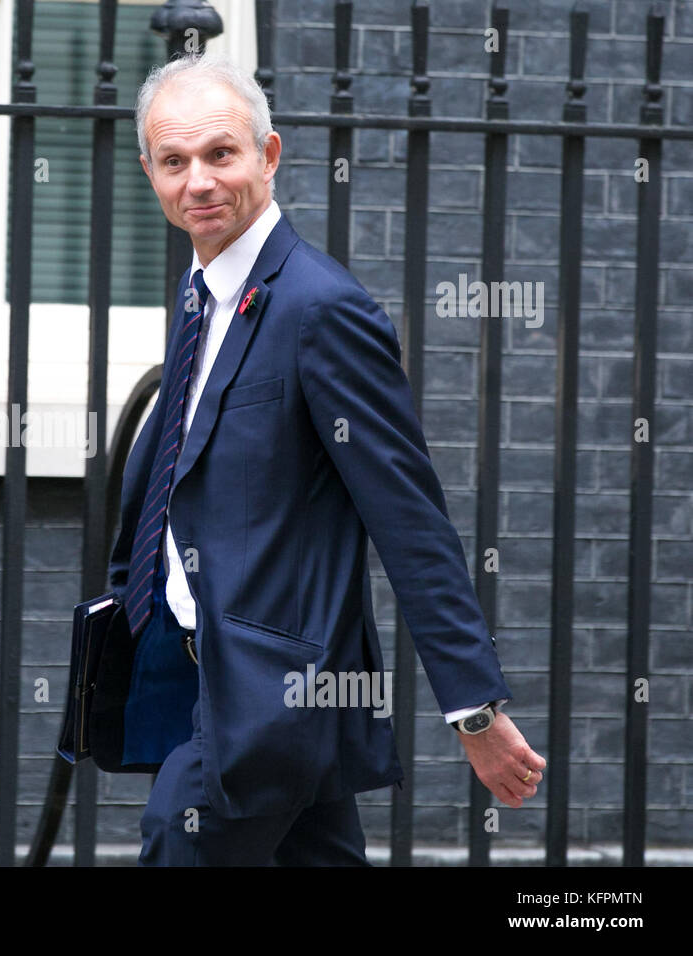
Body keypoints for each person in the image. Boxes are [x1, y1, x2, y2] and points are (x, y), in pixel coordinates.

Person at [107, 51, 546, 866]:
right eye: (174, 162)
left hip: (272, 698)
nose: (197, 180)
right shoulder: (201, 293)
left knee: (180, 830)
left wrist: (474, 714)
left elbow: (409, 520)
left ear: (268, 156)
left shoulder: (321, 308)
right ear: (151, 173)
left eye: (220, 154)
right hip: (216, 677)